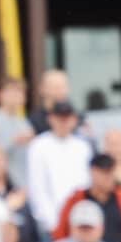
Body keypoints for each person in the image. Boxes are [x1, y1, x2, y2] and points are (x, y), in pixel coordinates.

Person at [52, 153, 121, 242]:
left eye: (112, 173)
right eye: (105, 172)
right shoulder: (76, 201)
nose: (109, 178)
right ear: (93, 172)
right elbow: (61, 234)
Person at [26, 99, 93, 233]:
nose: (63, 122)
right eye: (59, 117)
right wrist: (52, 223)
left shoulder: (83, 147)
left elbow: (87, 183)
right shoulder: (39, 145)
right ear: (50, 119)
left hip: (80, 222)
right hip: (51, 224)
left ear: (74, 119)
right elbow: (37, 187)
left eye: (67, 117)